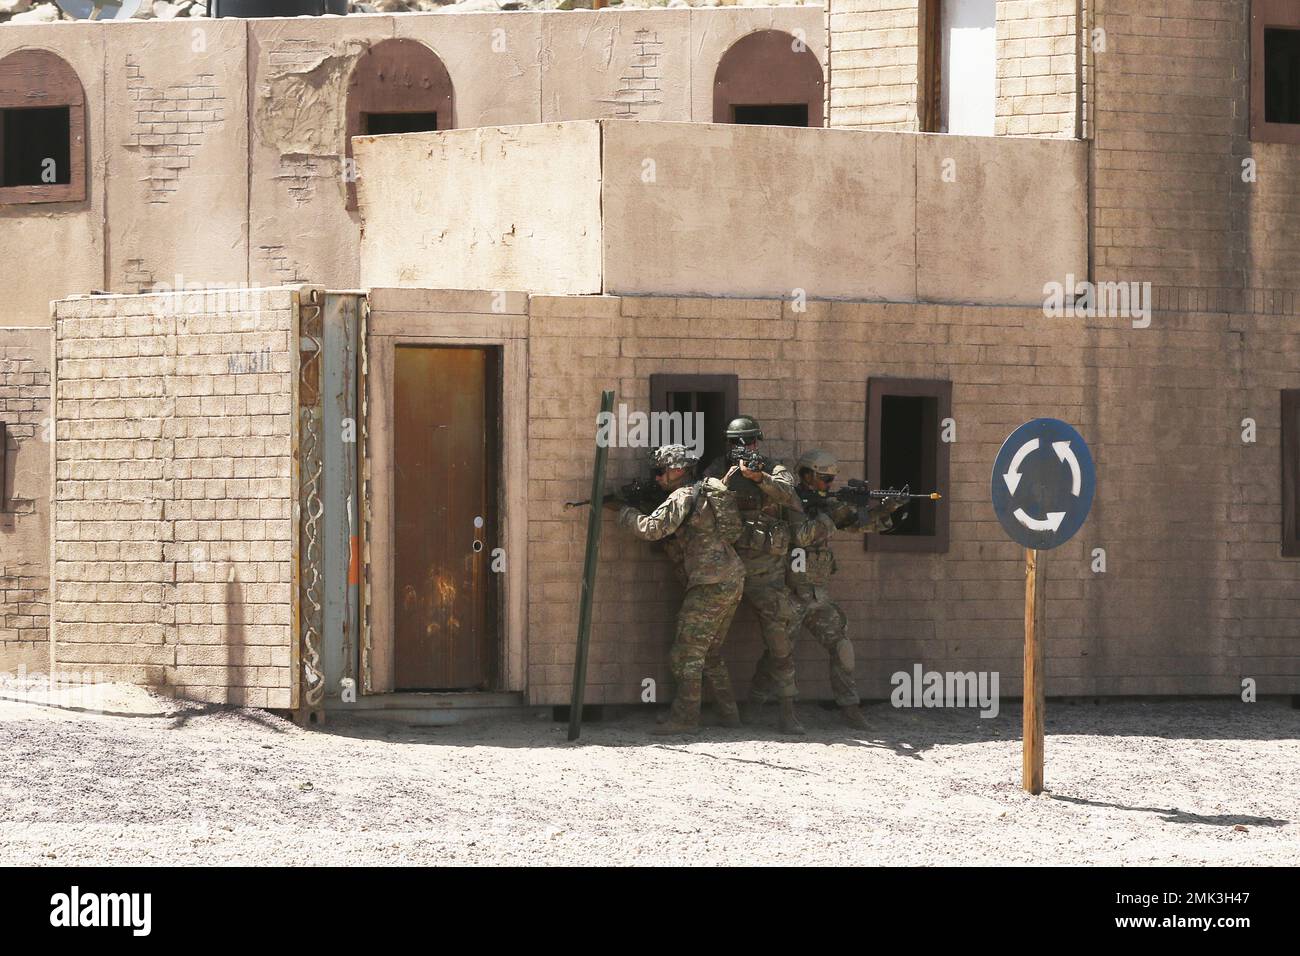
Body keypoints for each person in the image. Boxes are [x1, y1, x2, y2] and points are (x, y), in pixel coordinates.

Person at [610, 444, 745, 735]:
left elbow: (651, 529)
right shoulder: (707, 491)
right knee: (709, 653)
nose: (657, 477)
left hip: (709, 582)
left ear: (678, 470)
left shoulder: (683, 496)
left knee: (686, 654)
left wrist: (624, 513)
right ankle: (729, 714)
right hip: (731, 576)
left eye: (660, 471)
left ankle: (685, 719)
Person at [778, 448, 910, 731]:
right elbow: (800, 535)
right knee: (779, 655)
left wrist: (886, 508)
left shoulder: (827, 503)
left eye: (830, 480)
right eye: (824, 479)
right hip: (790, 593)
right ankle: (780, 712)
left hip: (818, 595)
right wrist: (830, 518)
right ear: (806, 475)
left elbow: (857, 524)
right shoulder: (790, 500)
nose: (828, 485)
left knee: (842, 647)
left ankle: (850, 708)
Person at [704, 416, 806, 735]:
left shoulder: (772, 469)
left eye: (747, 442)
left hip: (766, 572)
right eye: (736, 442)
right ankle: (724, 713)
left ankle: (787, 711)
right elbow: (702, 497)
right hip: (726, 567)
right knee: (705, 639)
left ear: (756, 443)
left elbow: (789, 494)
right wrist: (727, 478)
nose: (742, 448)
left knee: (780, 643)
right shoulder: (718, 468)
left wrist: (758, 477)